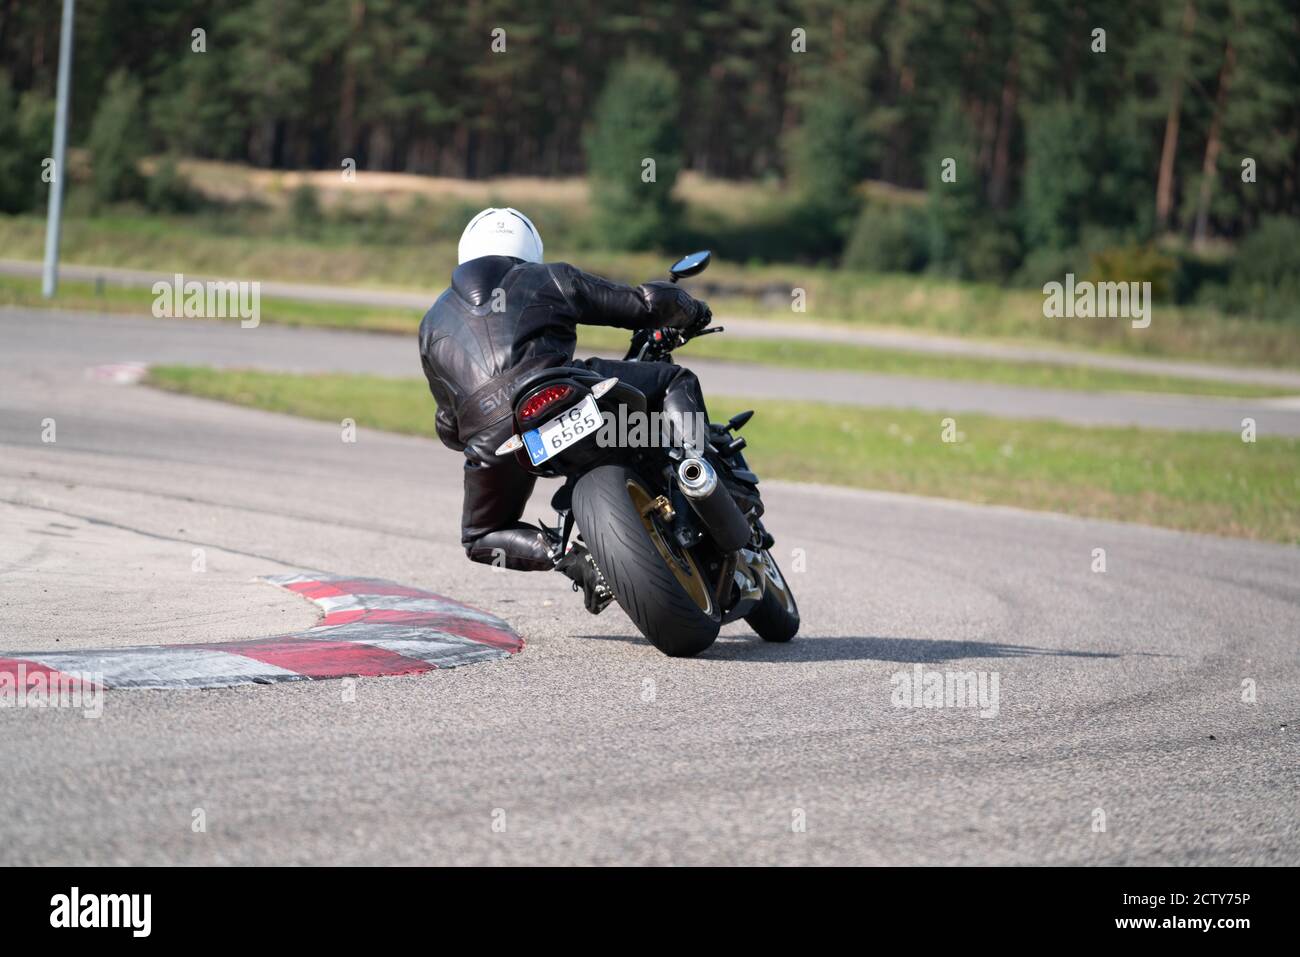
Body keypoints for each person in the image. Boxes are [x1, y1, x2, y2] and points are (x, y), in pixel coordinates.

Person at [418, 207, 713, 592]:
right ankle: (696, 471)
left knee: (481, 536)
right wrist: (692, 310)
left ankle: (573, 558)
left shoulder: (430, 323)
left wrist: (476, 437)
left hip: (499, 437)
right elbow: (644, 304)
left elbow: (448, 424)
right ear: (529, 248)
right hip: (560, 389)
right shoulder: (546, 276)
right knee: (676, 378)